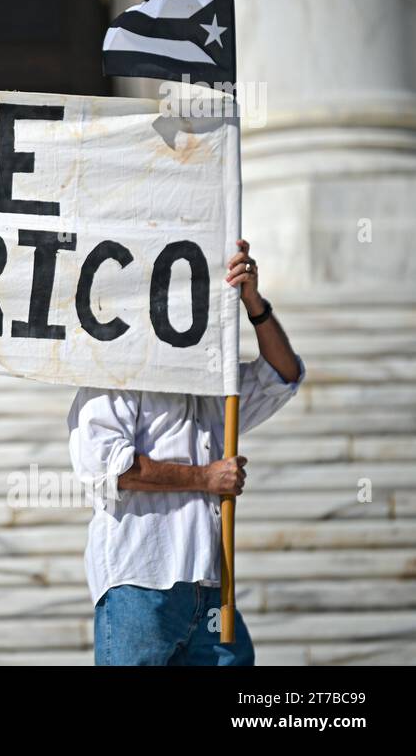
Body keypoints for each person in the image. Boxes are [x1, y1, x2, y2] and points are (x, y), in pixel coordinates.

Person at [68, 239, 304, 665]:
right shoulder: (115, 375)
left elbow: (283, 375)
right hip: (140, 584)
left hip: (211, 587)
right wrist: (206, 478)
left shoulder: (216, 386)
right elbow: (106, 467)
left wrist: (255, 304)